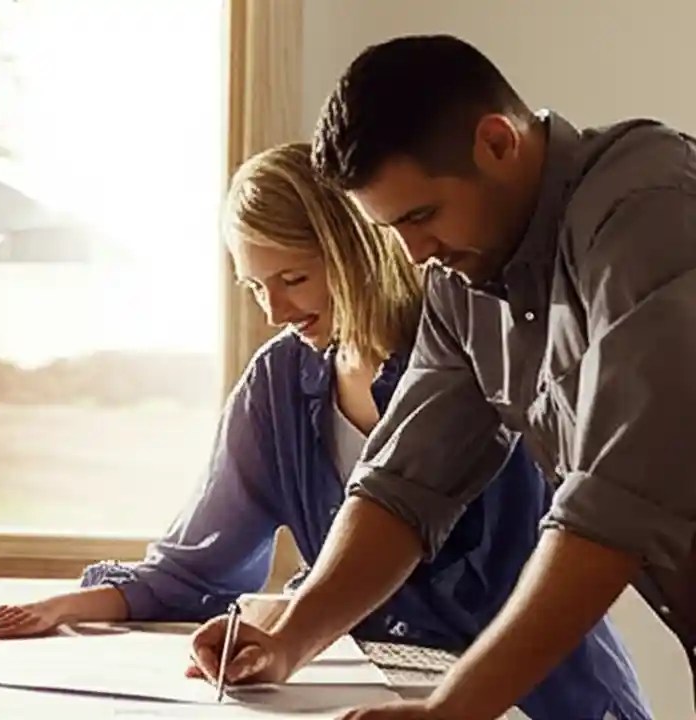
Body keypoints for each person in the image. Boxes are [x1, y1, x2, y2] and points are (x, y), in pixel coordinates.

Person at [0, 143, 650, 719]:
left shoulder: (476, 357)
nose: (275, 310)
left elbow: (551, 551)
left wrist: (298, 624)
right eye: (255, 287)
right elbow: (201, 560)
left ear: (354, 253)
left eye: (292, 278)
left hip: (543, 697)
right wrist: (62, 608)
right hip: (376, 694)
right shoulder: (280, 384)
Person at [189, 33, 696, 719]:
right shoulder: (463, 278)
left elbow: (616, 496)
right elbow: (403, 484)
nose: (414, 253)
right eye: (391, 229)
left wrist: (452, 710)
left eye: (422, 216)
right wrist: (290, 639)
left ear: (497, 142)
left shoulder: (647, 206)